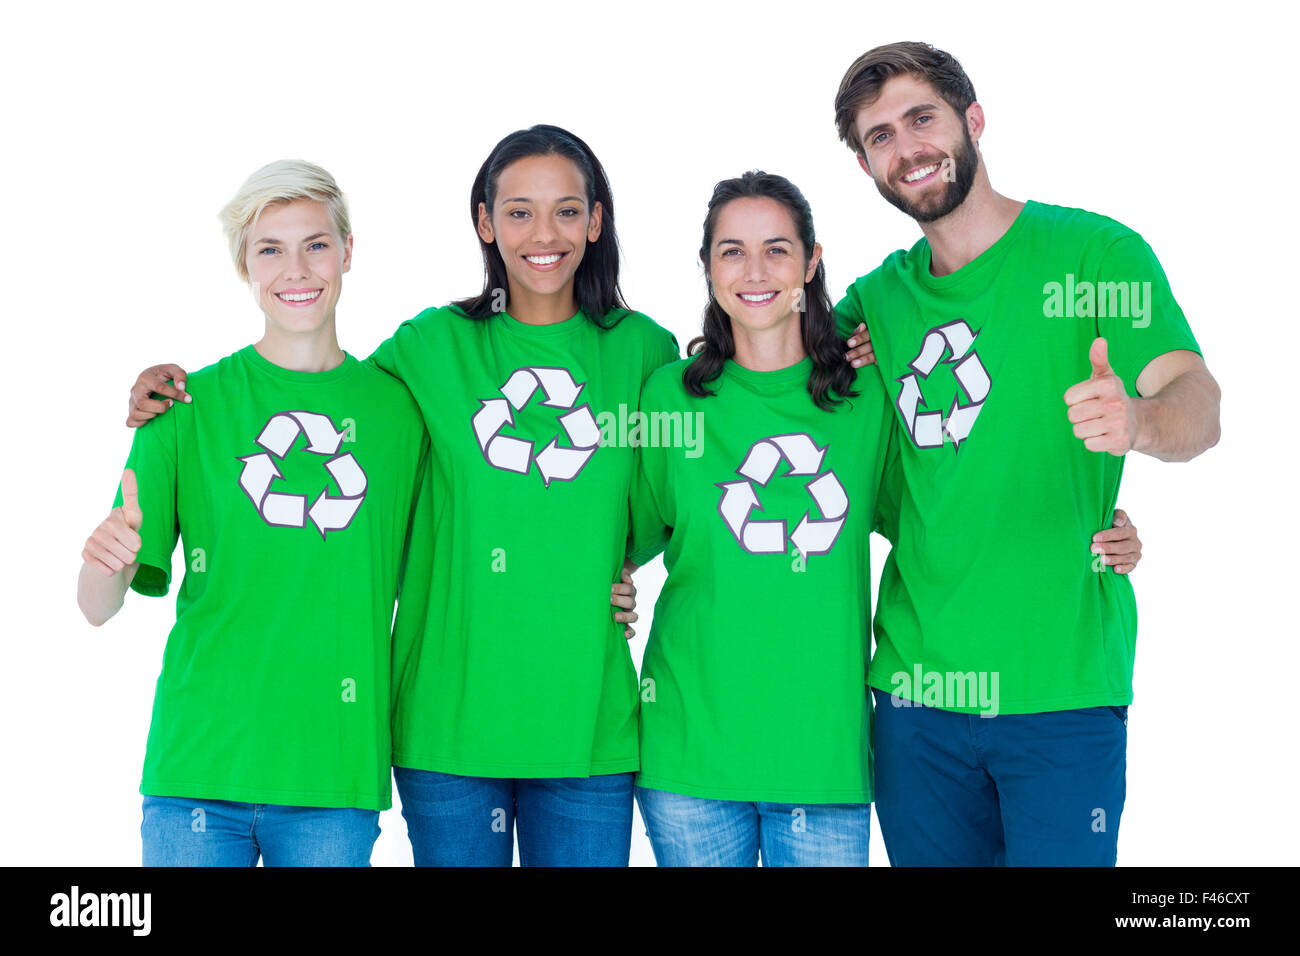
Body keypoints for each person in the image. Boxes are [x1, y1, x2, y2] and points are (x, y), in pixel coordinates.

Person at [124, 127, 679, 867]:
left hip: (588, 720)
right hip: (446, 721)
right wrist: (169, 390)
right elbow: (312, 383)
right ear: (484, 222)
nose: (543, 233)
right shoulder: (429, 347)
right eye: (518, 211)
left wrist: (617, 570)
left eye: (566, 210)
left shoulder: (646, 350)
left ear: (597, 220)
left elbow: (671, 493)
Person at [626, 171, 1145, 866]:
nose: (755, 271)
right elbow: (622, 529)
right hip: (689, 748)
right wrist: (609, 578)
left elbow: (948, 496)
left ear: (812, 263)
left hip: (827, 759)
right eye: (732, 251)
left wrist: (1090, 522)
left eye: (778, 250)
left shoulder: (867, 393)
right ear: (706, 266)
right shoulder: (669, 397)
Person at [832, 42, 1218, 866]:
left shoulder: (1093, 257)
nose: (908, 148)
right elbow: (764, 415)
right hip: (915, 698)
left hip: (1061, 690)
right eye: (879, 137)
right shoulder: (872, 304)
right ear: (866, 167)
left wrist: (1140, 423)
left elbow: (1198, 399)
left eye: (922, 118)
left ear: (973, 120)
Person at [79, 160, 430, 866]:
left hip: (333, 775)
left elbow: (439, 574)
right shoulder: (185, 409)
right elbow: (97, 609)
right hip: (200, 770)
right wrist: (102, 560)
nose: (295, 269)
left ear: (349, 251)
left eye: (316, 244)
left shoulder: (401, 414)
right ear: (245, 264)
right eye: (270, 248)